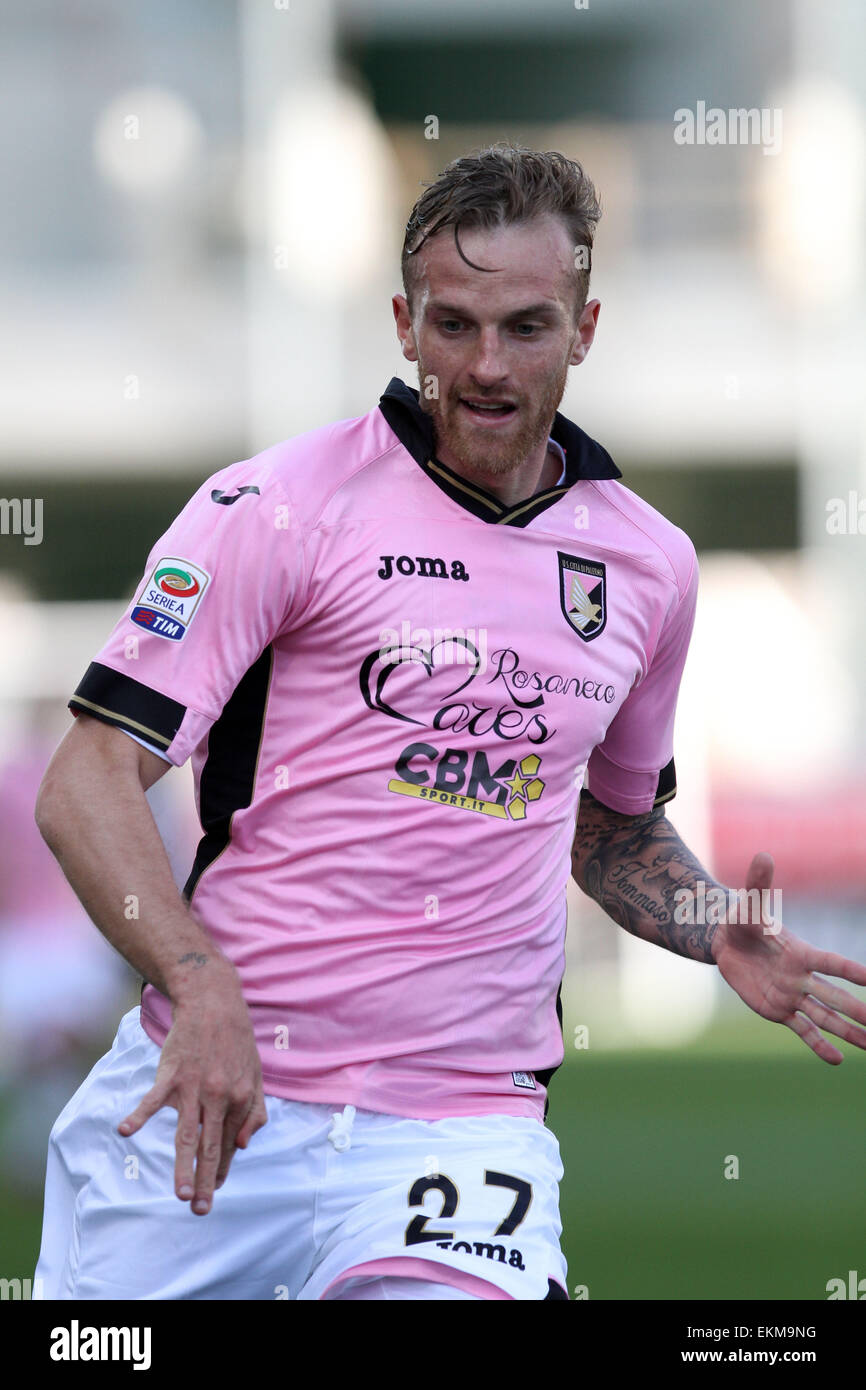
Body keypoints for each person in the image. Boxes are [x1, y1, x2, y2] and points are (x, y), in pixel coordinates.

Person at [33, 143, 866, 1301]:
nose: (484, 364)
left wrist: (708, 921)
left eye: (525, 326)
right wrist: (198, 977)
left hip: (457, 1130)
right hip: (210, 1085)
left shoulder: (646, 565)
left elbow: (610, 827)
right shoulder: (275, 507)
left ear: (582, 330)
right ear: (402, 322)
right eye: (452, 324)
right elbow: (83, 780)